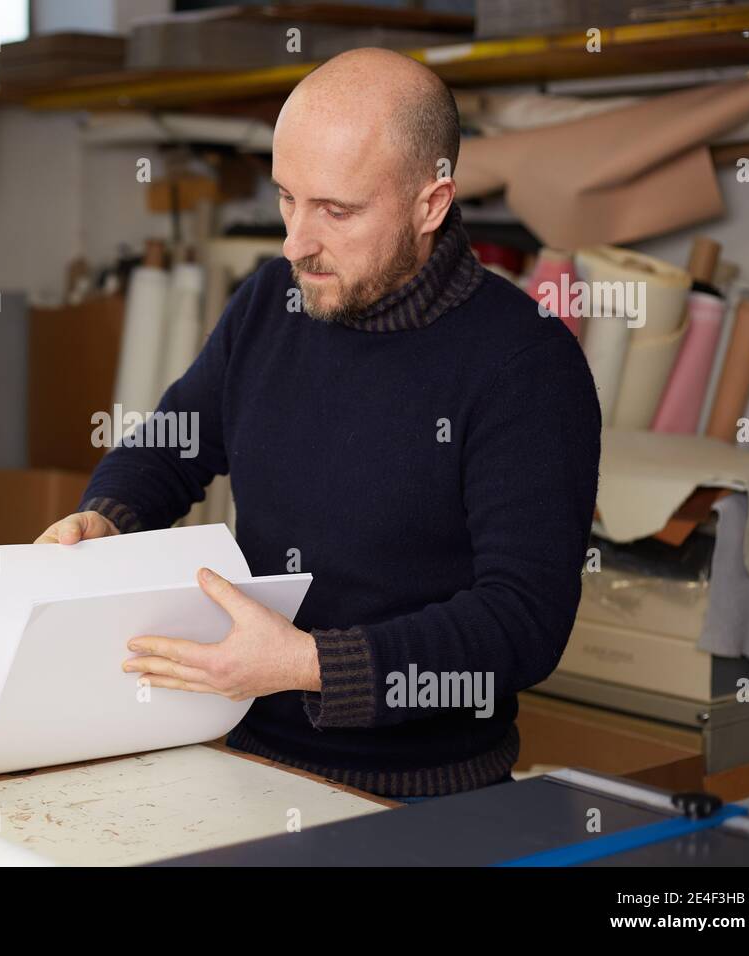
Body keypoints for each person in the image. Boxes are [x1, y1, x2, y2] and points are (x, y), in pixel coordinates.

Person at [36, 48, 601, 801]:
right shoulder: (273, 301)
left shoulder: (525, 363)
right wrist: (102, 519)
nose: (296, 242)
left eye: (336, 210)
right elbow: (173, 446)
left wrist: (307, 665)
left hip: (423, 800)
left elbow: (523, 623)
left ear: (431, 204)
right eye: (286, 199)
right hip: (248, 761)